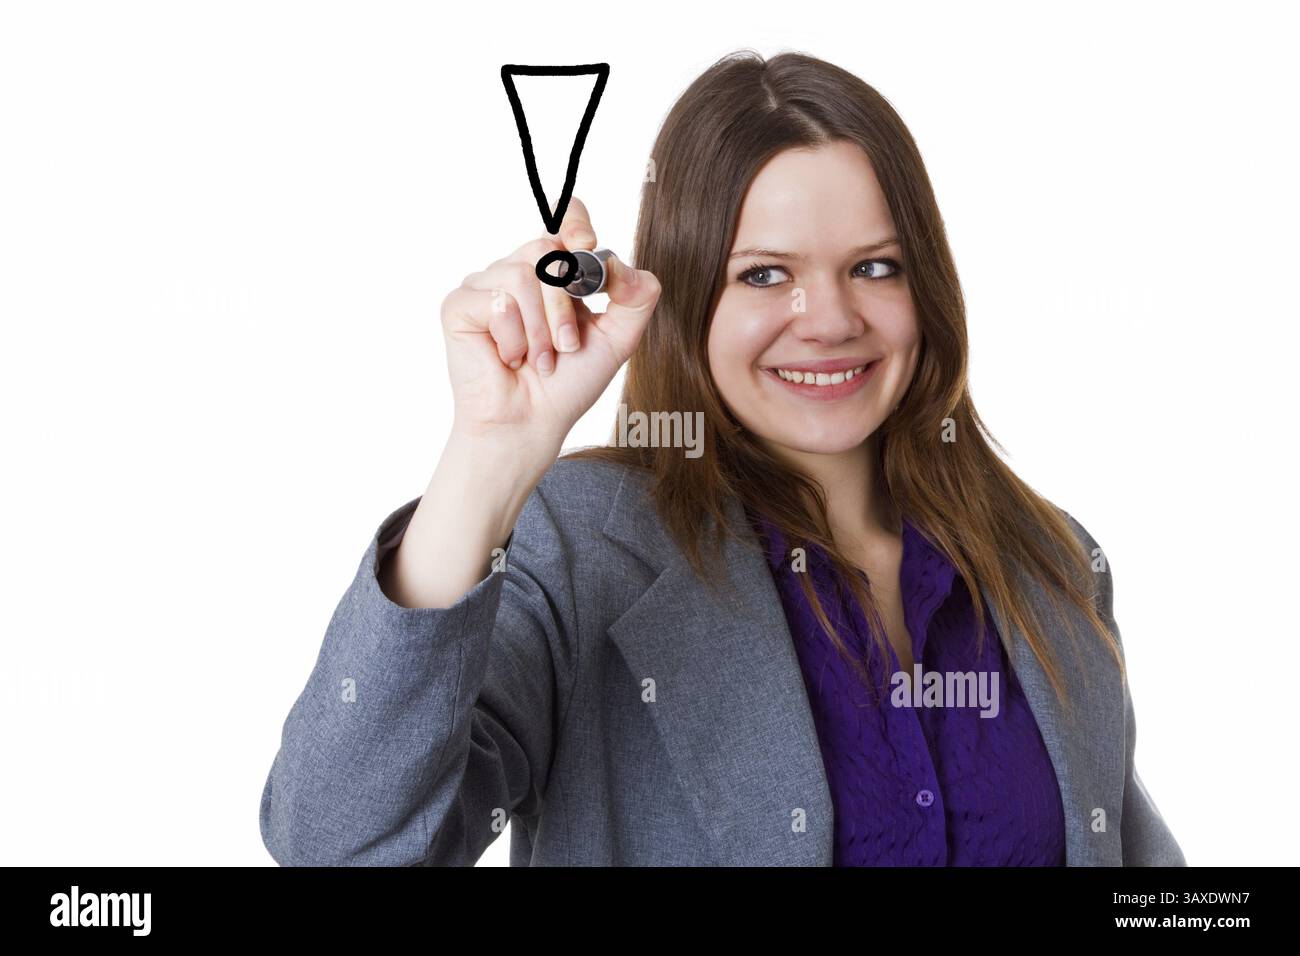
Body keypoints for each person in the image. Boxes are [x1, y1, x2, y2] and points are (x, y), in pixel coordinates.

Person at [259, 49, 1185, 866]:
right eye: (764, 274)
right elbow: (341, 845)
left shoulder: (1049, 559)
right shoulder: (582, 551)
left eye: (874, 266)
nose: (829, 320)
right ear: (687, 296)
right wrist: (484, 464)